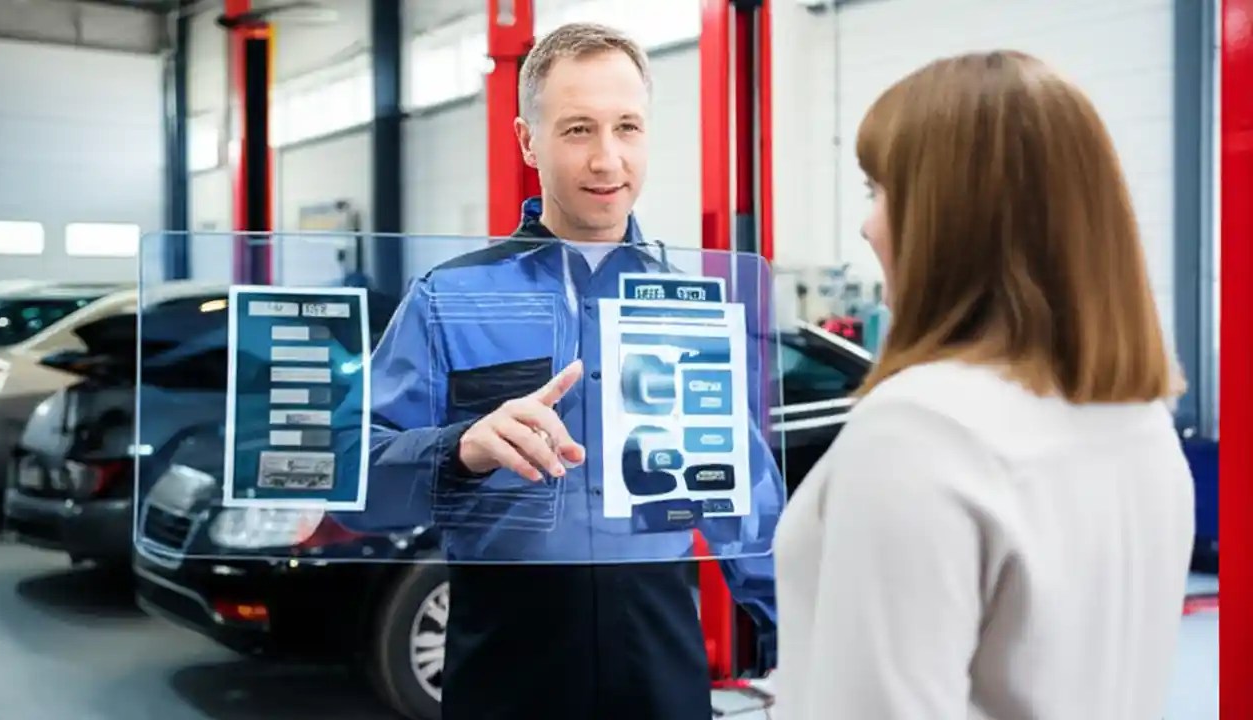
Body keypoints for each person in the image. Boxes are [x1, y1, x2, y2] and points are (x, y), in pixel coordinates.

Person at [342, 23, 783, 720]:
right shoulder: (449, 299)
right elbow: (351, 476)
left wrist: (807, 640)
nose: (608, 159)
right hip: (508, 668)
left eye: (627, 128)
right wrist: (459, 448)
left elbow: (750, 511)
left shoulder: (687, 308)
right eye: (578, 129)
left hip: (660, 668)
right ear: (528, 141)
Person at [771, 50, 1195, 719]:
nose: (867, 224)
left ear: (951, 217)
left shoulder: (919, 429)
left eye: (878, 192)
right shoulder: (1139, 421)